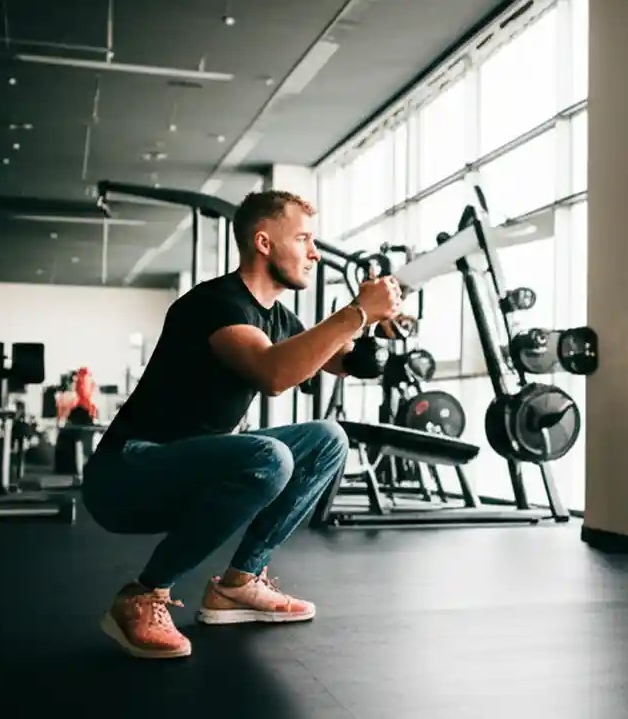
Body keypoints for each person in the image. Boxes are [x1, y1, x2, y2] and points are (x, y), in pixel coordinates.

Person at [83, 190, 402, 660]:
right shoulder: (213, 304)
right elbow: (273, 374)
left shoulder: (277, 316)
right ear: (264, 242)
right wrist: (357, 311)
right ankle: (143, 594)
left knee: (327, 439)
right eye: (303, 239)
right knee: (268, 457)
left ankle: (239, 583)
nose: (314, 252)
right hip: (126, 475)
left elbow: (345, 361)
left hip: (193, 467)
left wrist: (380, 328)